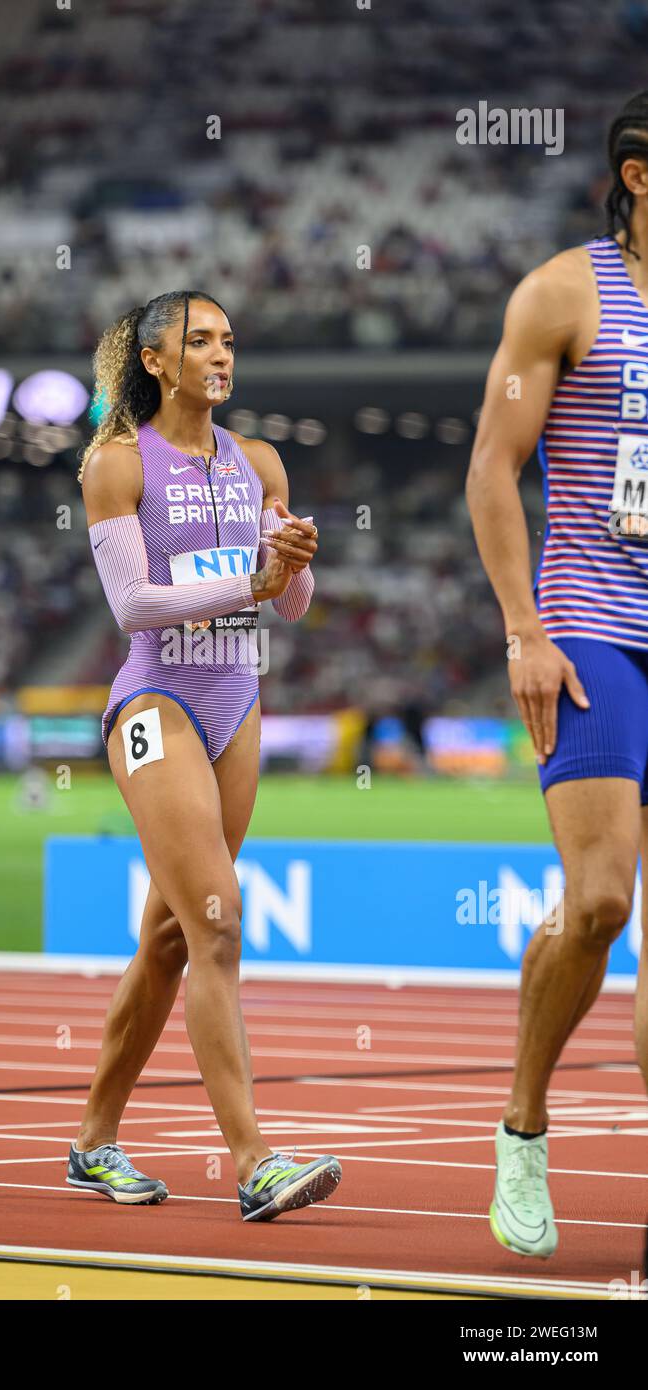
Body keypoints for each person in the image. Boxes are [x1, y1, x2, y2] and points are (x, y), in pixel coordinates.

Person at [69, 288, 342, 1221]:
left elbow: (289, 604)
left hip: (238, 705)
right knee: (219, 920)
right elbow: (134, 606)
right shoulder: (116, 464)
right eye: (201, 340)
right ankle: (253, 1160)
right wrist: (252, 579)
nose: (221, 354)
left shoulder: (258, 460)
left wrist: (294, 567)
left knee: (171, 938)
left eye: (229, 339)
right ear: (155, 359)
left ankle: (94, 1142)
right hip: (154, 702)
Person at [466, 91, 648, 1258]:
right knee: (596, 903)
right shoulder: (562, 292)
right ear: (638, 174)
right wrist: (521, 627)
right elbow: (492, 468)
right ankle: (522, 1129)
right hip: (588, 622)